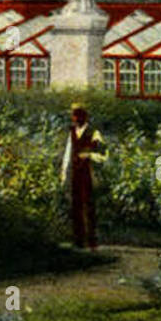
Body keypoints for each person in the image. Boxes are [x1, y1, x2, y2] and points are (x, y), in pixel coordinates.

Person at [60, 103, 107, 249]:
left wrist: (89, 155)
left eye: (79, 115)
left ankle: (92, 240)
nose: (76, 118)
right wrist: (63, 173)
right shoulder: (72, 132)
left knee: (89, 206)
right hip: (75, 173)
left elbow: (104, 154)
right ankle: (78, 240)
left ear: (84, 116)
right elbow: (68, 154)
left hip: (89, 173)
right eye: (74, 115)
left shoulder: (94, 133)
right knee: (75, 206)